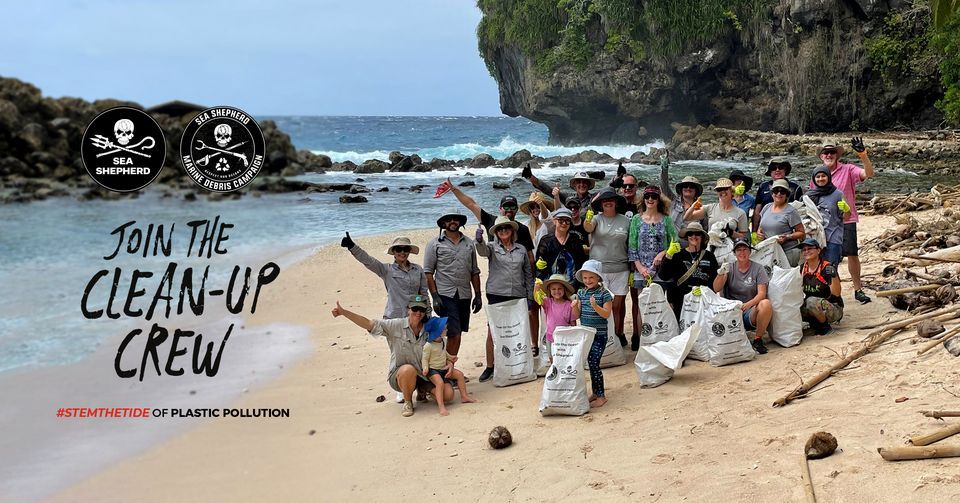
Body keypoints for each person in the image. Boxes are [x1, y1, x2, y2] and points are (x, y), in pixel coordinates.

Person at [443, 180, 541, 351]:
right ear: (500, 209)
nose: (509, 210)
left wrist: (530, 284)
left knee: (524, 318)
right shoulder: (490, 220)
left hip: (519, 283)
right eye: (506, 207)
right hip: (497, 285)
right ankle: (494, 362)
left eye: (512, 207)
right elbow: (470, 204)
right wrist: (454, 189)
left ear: (517, 210)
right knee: (495, 325)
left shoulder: (522, 230)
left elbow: (530, 259)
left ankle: (533, 347)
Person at [331, 295, 452, 417]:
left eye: (421, 310)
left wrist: (450, 363)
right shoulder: (395, 325)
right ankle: (408, 401)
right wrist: (344, 312)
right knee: (407, 369)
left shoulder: (429, 328)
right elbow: (368, 324)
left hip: (424, 374)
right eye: (415, 309)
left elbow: (439, 349)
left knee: (448, 395)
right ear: (408, 309)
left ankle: (422, 390)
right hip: (401, 375)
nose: (418, 313)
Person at [475, 216, 535, 382]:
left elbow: (528, 275)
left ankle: (519, 363)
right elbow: (481, 251)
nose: (503, 231)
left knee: (518, 330)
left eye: (506, 228)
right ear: (496, 232)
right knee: (493, 331)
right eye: (500, 229)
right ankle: (489, 366)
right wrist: (478, 239)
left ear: (512, 230)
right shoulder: (491, 247)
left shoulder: (521, 249)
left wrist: (530, 297)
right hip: (496, 294)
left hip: (518, 294)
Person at [816, 138, 875, 304]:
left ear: (837, 155)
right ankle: (837, 291)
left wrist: (863, 155)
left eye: (832, 152)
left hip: (847, 220)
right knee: (830, 257)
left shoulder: (848, 169)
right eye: (826, 152)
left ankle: (858, 289)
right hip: (826, 223)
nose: (829, 155)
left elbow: (868, 174)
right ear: (821, 156)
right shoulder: (818, 174)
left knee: (852, 254)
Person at [423, 212, 482, 358]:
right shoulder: (434, 243)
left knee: (458, 332)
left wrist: (478, 295)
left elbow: (474, 271)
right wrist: (435, 296)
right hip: (445, 294)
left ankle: (447, 367)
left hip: (464, 294)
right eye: (448, 220)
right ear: (443, 224)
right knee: (453, 332)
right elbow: (428, 272)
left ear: (460, 223)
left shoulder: (469, 243)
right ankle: (447, 370)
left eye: (456, 219)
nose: (453, 222)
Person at [626, 185, 677, 350]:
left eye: (653, 197)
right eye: (647, 196)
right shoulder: (636, 219)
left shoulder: (667, 219)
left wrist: (662, 253)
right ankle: (644, 343)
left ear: (658, 200)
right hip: (642, 270)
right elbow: (632, 246)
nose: (650, 200)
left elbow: (674, 243)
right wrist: (640, 268)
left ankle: (662, 340)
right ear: (643, 199)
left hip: (663, 269)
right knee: (643, 306)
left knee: (661, 304)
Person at [583, 187, 631, 347]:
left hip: (621, 268)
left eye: (611, 199)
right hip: (599, 270)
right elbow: (588, 228)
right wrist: (587, 219)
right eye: (604, 200)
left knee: (618, 305)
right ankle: (602, 337)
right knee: (600, 305)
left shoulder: (625, 220)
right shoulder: (596, 218)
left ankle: (619, 333)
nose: (608, 202)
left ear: (617, 202)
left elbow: (631, 244)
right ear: (601, 204)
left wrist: (632, 268)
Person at [341, 233, 430, 319]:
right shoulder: (386, 270)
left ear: (409, 251)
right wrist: (352, 246)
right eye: (399, 249)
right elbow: (368, 261)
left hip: (415, 318)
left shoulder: (418, 270)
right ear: (394, 252)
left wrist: (428, 314)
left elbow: (424, 294)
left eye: (406, 249)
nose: (402, 252)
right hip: (394, 318)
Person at [713, 237, 773, 354]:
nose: (742, 253)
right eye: (739, 250)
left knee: (766, 304)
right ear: (734, 253)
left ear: (750, 251)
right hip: (732, 312)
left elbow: (762, 293)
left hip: (749, 310)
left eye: (745, 249)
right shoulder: (729, 267)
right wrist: (721, 274)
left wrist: (747, 305)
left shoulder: (758, 268)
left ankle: (757, 339)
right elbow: (716, 288)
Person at [658, 222, 720, 320]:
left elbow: (714, 281)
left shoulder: (710, 256)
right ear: (687, 237)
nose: (694, 236)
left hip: (703, 301)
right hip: (681, 302)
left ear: (702, 237)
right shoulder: (677, 255)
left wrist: (706, 291)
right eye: (690, 234)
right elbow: (664, 276)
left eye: (697, 234)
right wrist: (668, 256)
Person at [572, 259, 613, 408]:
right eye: (585, 278)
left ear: (598, 278)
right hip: (586, 334)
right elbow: (577, 315)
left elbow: (606, 314)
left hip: (599, 335)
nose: (588, 280)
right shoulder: (581, 293)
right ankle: (596, 392)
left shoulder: (605, 294)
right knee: (591, 363)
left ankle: (601, 395)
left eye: (591, 277)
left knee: (594, 362)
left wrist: (595, 305)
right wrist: (575, 307)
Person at [421, 317, 476, 416]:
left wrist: (451, 358)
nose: (446, 330)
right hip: (433, 370)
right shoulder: (428, 346)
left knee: (459, 375)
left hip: (443, 367)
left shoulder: (443, 341)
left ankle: (464, 396)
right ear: (438, 332)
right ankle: (441, 406)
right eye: (444, 329)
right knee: (440, 383)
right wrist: (425, 368)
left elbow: (444, 353)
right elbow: (425, 359)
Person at [806, 166, 850, 267]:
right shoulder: (809, 195)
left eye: (823, 176)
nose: (821, 179)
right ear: (814, 179)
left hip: (832, 238)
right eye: (818, 176)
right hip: (814, 239)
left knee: (831, 271)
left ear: (829, 177)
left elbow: (846, 218)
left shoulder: (838, 194)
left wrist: (847, 209)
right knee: (816, 270)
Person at [799, 238, 844, 335]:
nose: (806, 251)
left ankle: (825, 327)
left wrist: (834, 276)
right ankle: (815, 323)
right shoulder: (802, 268)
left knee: (811, 302)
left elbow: (836, 293)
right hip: (810, 306)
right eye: (804, 249)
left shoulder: (826, 268)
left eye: (810, 248)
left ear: (818, 250)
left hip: (833, 307)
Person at [659, 154, 707, 245]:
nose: (688, 188)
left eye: (692, 186)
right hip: (669, 247)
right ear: (681, 189)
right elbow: (663, 185)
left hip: (689, 250)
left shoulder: (701, 209)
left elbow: (705, 231)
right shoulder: (672, 200)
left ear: (696, 191)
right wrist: (664, 168)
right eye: (685, 186)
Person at [756, 179, 806, 267]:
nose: (779, 194)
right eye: (776, 191)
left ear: (787, 194)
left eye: (782, 191)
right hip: (769, 252)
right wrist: (759, 233)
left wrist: (787, 237)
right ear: (772, 193)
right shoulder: (766, 207)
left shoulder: (791, 211)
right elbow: (761, 226)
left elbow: (802, 233)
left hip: (787, 252)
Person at [534, 207, 588, 287]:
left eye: (567, 221)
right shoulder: (546, 240)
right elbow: (540, 263)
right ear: (554, 221)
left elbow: (581, 262)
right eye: (561, 220)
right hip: (551, 286)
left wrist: (582, 284)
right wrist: (539, 267)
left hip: (572, 285)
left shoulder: (575, 239)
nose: (564, 223)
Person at [684, 178, 750, 240]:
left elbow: (744, 237)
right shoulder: (710, 208)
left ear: (732, 191)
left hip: (730, 249)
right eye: (719, 190)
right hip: (711, 248)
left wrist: (731, 233)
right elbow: (687, 218)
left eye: (725, 189)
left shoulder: (740, 213)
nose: (722, 192)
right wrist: (693, 207)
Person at [753, 158, 804, 232]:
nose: (777, 170)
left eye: (780, 167)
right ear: (770, 171)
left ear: (785, 170)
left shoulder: (795, 188)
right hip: (764, 228)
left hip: (787, 230)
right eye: (773, 168)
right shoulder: (763, 187)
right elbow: (758, 210)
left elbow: (801, 212)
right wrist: (754, 231)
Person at [540, 274, 579, 363]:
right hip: (551, 337)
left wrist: (575, 306)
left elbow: (574, 319)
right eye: (553, 289)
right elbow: (537, 299)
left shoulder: (569, 304)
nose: (557, 291)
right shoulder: (547, 302)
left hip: (565, 338)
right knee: (552, 360)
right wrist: (536, 288)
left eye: (559, 288)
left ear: (564, 290)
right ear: (549, 290)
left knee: (565, 359)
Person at [523, 166, 595, 210]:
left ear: (589, 185)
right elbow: (547, 190)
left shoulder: (594, 199)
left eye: (585, 182)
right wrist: (531, 177)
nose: (582, 184)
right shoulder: (568, 197)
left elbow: (605, 193)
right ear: (574, 185)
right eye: (579, 182)